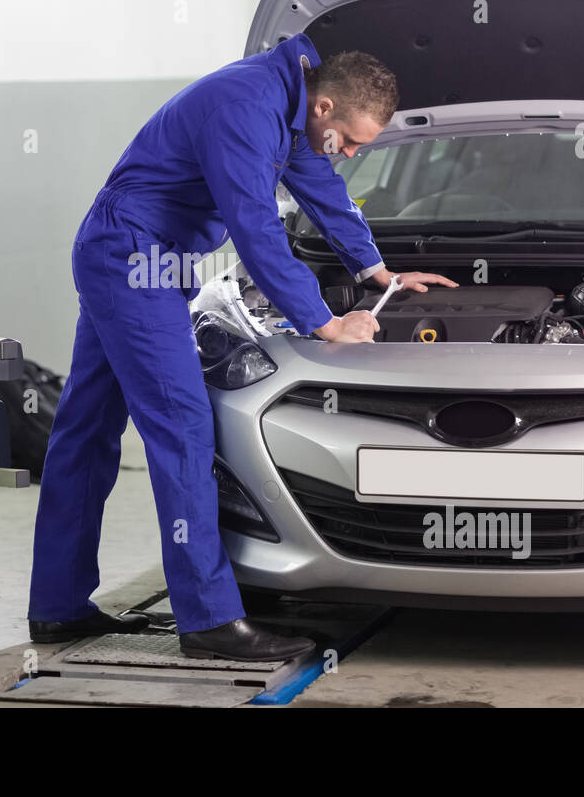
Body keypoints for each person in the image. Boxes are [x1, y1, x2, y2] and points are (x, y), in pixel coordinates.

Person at [27, 33, 456, 661]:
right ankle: (208, 619)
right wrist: (323, 322)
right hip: (133, 255)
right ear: (325, 109)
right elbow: (255, 223)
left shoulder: (294, 111)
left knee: (86, 429)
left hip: (138, 255)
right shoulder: (245, 104)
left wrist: (376, 273)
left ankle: (57, 607)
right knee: (183, 425)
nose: (355, 152)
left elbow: (323, 189)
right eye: (355, 139)